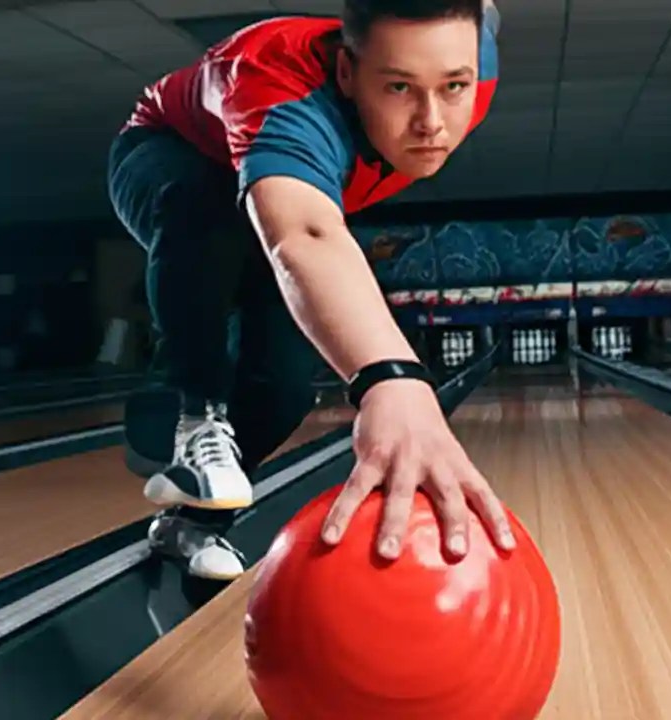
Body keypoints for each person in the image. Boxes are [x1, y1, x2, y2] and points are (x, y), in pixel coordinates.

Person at [108, 0, 517, 580]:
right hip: (168, 153)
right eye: (399, 87)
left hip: (274, 200)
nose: (432, 121)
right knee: (200, 206)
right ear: (348, 73)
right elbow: (306, 234)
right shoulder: (282, 92)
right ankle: (194, 418)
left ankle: (190, 526)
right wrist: (393, 382)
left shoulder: (472, 49)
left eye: (454, 86)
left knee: (283, 390)